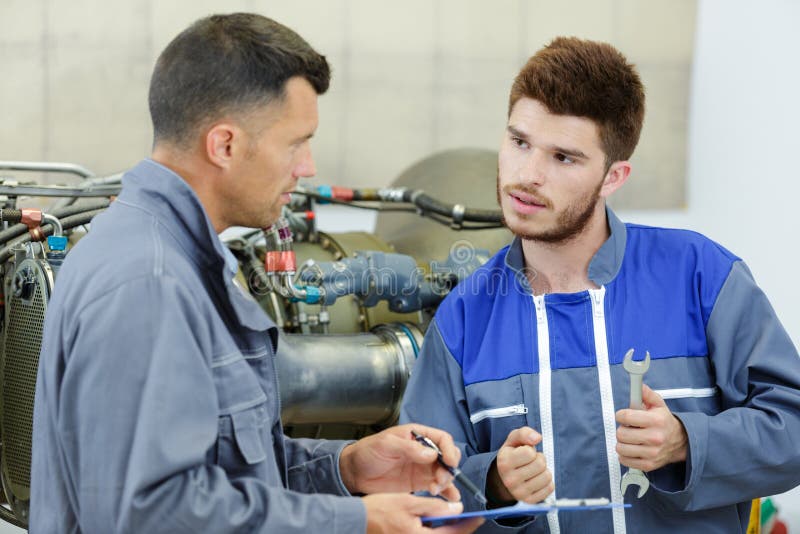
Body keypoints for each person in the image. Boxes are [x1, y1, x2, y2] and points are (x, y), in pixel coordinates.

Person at [30, 13, 483, 534]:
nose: (307, 166)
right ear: (224, 145)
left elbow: (221, 469)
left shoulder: (179, 259)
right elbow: (152, 513)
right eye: (295, 143)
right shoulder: (150, 283)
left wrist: (348, 467)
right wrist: (357, 522)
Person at [400, 36, 800, 533]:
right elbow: (416, 488)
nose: (527, 175)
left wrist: (686, 443)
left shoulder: (701, 275)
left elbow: (794, 428)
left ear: (614, 176)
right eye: (520, 142)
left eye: (563, 158)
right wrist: (494, 484)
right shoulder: (464, 316)